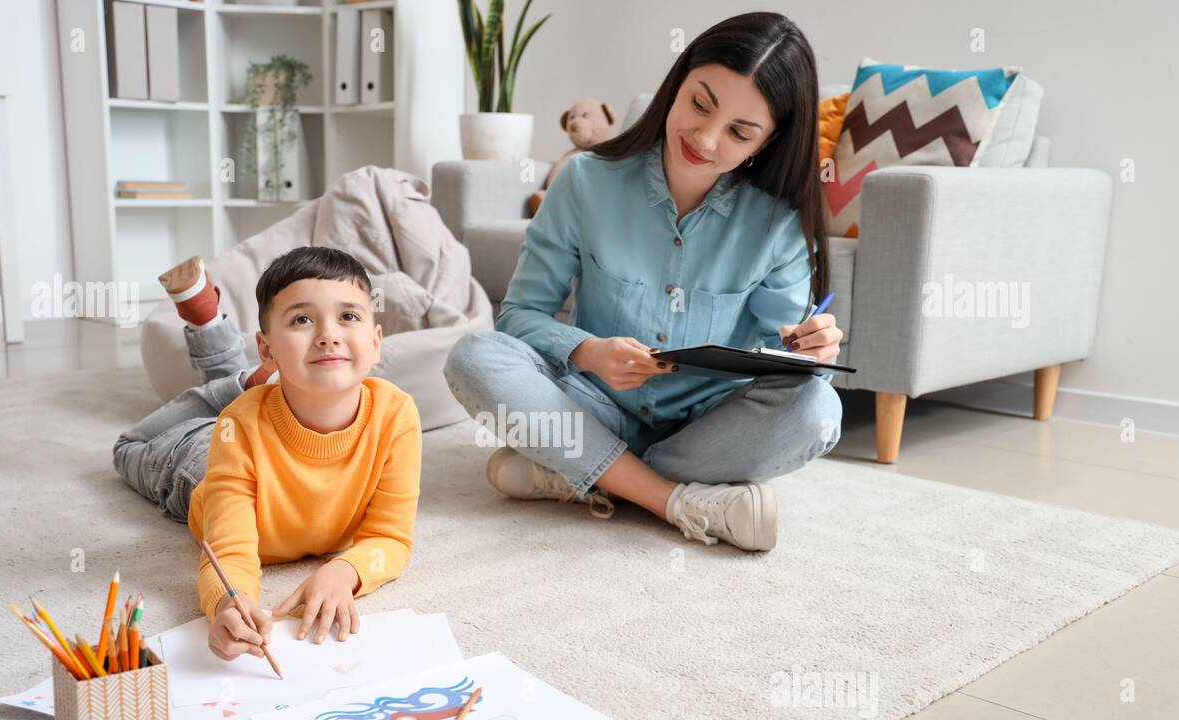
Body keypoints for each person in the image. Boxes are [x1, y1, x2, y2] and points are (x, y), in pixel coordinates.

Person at [443, 12, 843, 552]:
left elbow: (782, 357)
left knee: (818, 408)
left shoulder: (776, 224)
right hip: (592, 404)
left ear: (767, 143)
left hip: (704, 431)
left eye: (739, 131)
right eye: (700, 103)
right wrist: (586, 351)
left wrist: (812, 349)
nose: (705, 137)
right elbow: (519, 316)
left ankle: (585, 474)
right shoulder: (585, 181)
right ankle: (674, 501)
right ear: (677, 82)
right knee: (474, 354)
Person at [112, 248, 421, 658]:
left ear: (376, 341)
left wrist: (345, 571)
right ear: (267, 348)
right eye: (302, 320)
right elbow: (230, 550)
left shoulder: (397, 415)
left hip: (257, 419)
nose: (329, 334)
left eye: (348, 316)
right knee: (127, 447)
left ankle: (226, 354)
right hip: (190, 466)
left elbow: (390, 537)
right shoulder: (238, 427)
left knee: (251, 402)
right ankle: (236, 382)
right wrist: (228, 601)